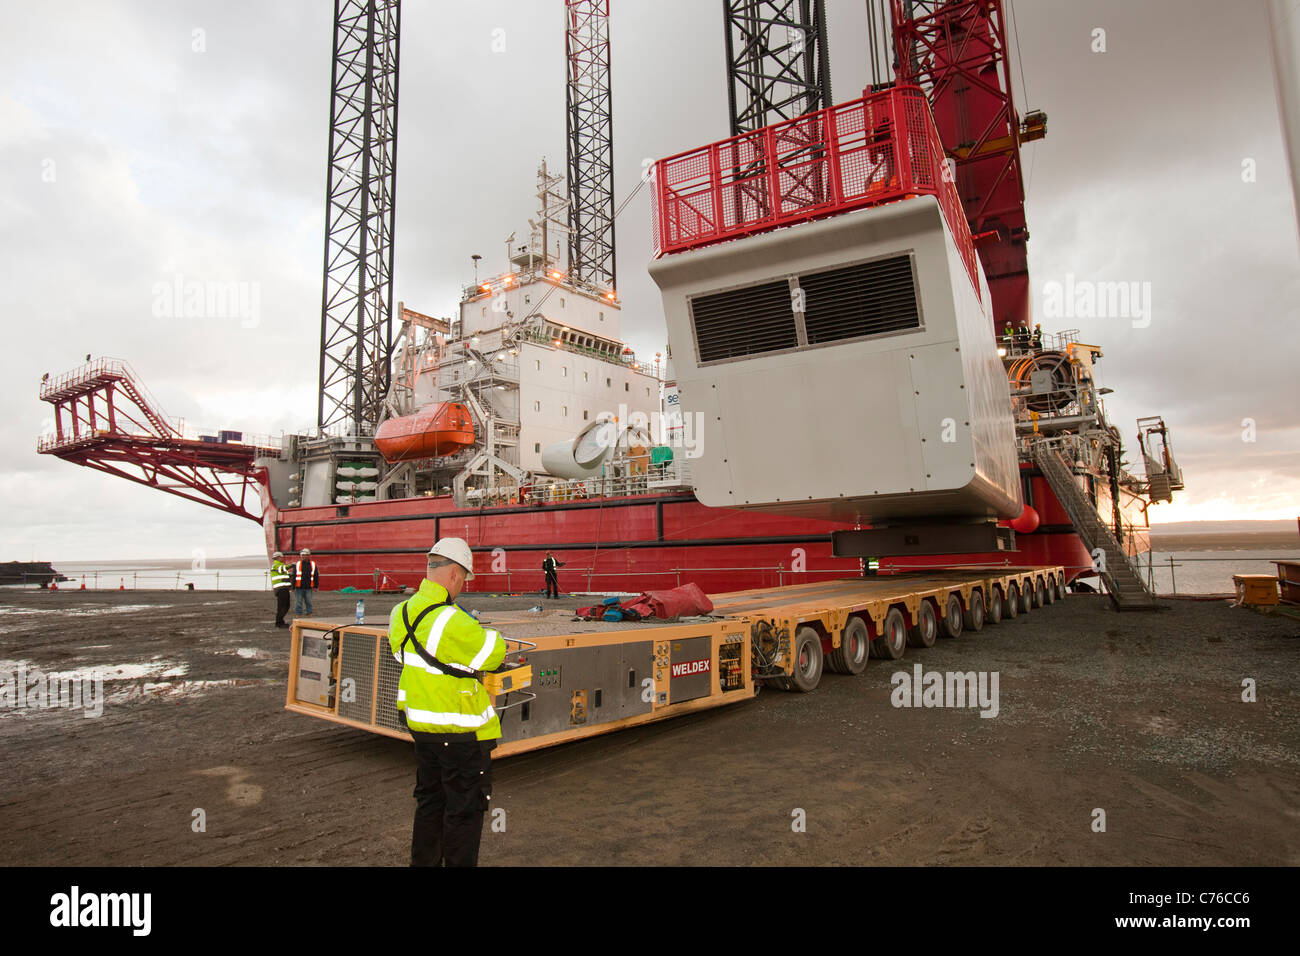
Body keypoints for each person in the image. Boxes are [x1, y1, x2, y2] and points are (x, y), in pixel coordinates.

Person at [390, 538, 507, 867]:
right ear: (455, 574)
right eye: (464, 579)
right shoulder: (452, 620)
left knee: (429, 803)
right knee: (464, 813)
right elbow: (492, 652)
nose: (463, 587)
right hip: (460, 735)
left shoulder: (400, 613)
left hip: (422, 731)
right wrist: (481, 632)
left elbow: (410, 656)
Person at [290, 548, 319, 615]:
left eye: (305, 555)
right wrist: (292, 587)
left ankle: (309, 614)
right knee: (298, 602)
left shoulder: (313, 564)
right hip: (298, 587)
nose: (303, 556)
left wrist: (315, 586)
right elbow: (294, 576)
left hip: (309, 587)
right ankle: (298, 614)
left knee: (309, 602)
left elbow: (316, 576)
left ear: (308, 556)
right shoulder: (298, 564)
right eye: (302, 555)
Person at [270, 550, 292, 628]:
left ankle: (280, 621)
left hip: (284, 589)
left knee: (285, 605)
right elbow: (283, 568)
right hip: (281, 589)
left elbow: (285, 576)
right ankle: (279, 622)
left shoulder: (279, 565)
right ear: (278, 557)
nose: (283, 558)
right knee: (283, 606)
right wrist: (292, 565)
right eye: (282, 557)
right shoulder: (276, 565)